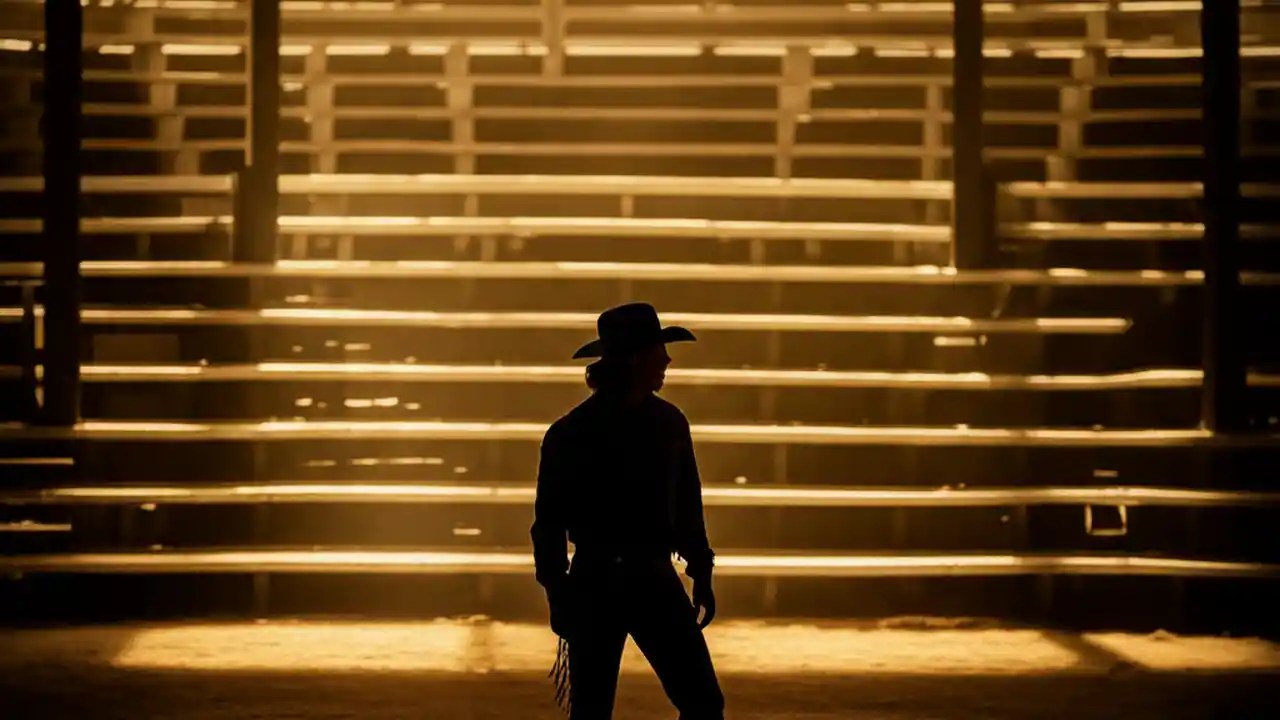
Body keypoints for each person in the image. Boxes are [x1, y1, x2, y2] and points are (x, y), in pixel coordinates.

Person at [530, 302, 725, 719]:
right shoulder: (668, 424)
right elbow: (687, 508)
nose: (667, 360)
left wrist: (558, 591)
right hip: (645, 577)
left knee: (594, 710)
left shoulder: (569, 432)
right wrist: (700, 568)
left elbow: (548, 526)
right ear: (636, 358)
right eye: (659, 351)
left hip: (598, 580)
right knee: (701, 702)